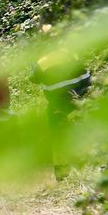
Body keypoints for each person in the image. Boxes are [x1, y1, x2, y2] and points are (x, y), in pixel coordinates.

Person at [30, 45, 91, 179]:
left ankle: (62, 174)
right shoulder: (72, 54)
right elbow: (87, 76)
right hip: (79, 101)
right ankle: (90, 165)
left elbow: (33, 79)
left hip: (58, 106)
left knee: (58, 137)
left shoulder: (42, 62)